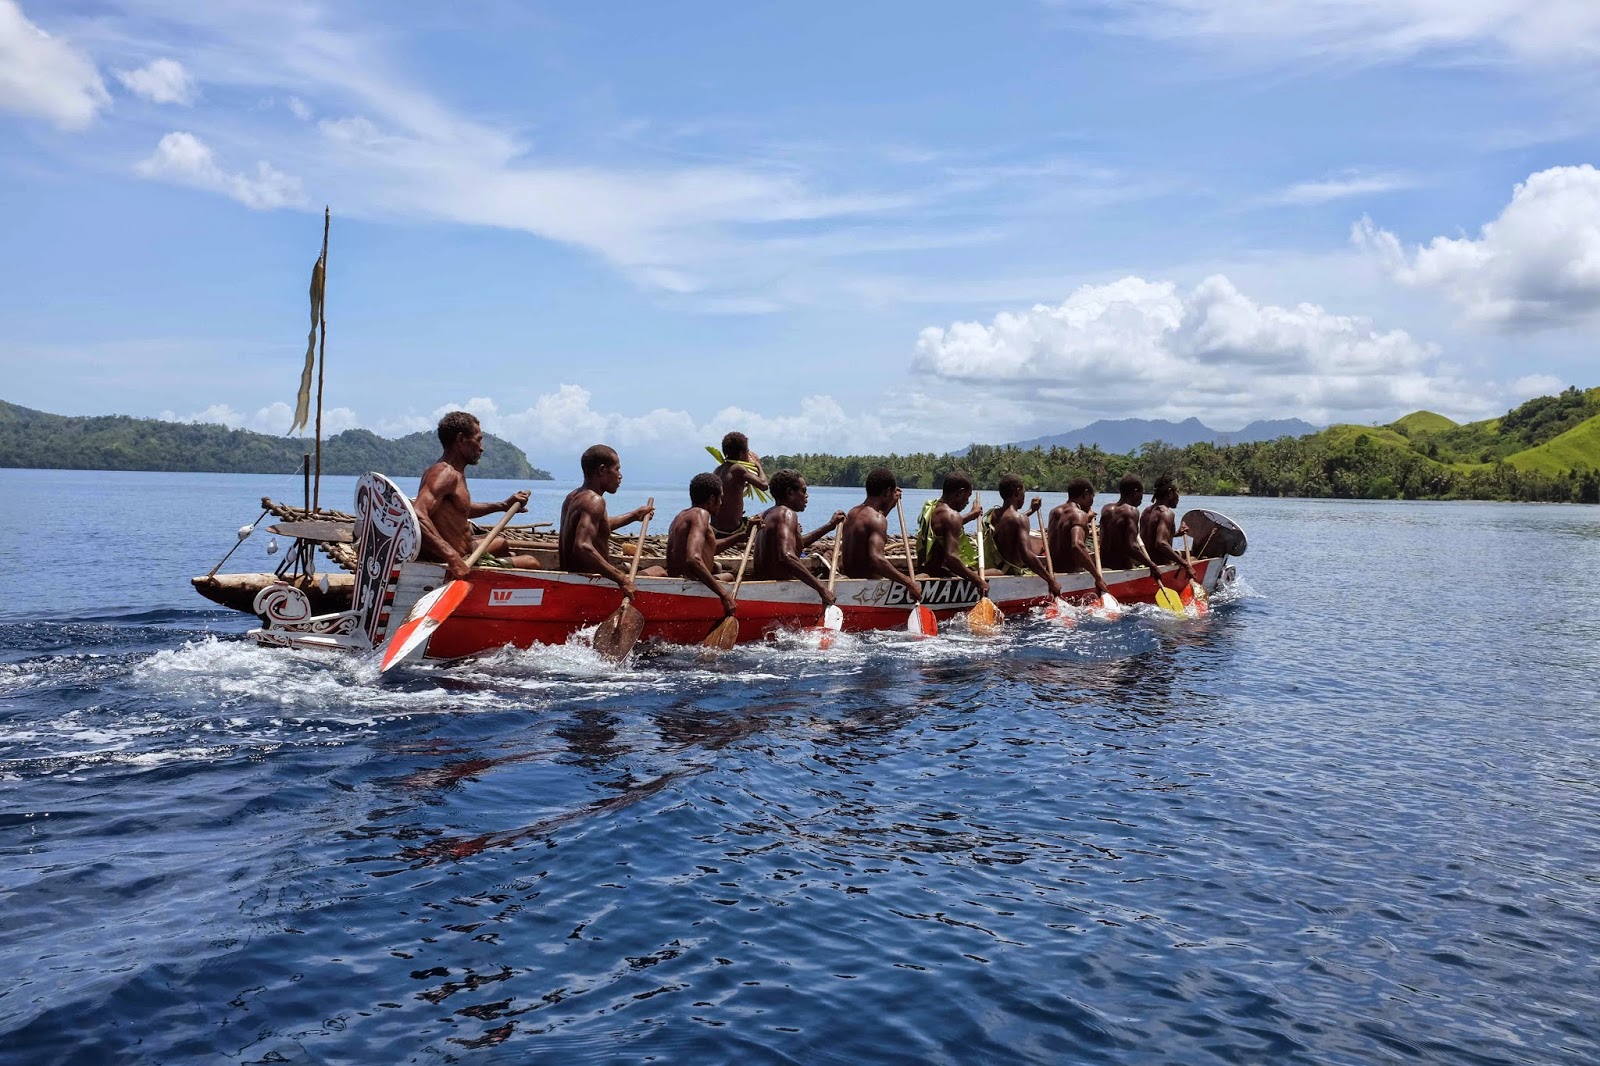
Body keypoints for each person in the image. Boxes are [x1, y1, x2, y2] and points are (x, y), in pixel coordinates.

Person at [414, 410, 536, 580]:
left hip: (466, 549)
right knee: (531, 563)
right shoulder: (445, 473)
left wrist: (503, 506)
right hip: (456, 561)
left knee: (502, 543)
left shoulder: (455, 473)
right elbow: (418, 514)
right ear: (461, 440)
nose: (481, 448)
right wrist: (452, 557)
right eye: (478, 440)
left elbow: (462, 509)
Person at [559, 444, 658, 596]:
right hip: (591, 583)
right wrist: (622, 580)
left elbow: (598, 527)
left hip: (572, 577)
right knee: (659, 571)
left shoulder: (574, 497)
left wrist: (634, 515)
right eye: (617, 469)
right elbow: (582, 546)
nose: (620, 475)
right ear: (602, 470)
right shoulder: (594, 501)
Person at [751, 469, 844, 605]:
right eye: (803, 491)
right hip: (778, 589)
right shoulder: (786, 514)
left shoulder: (765, 514)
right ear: (790, 493)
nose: (807, 496)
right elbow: (787, 556)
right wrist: (821, 589)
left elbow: (793, 546)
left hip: (763, 583)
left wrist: (829, 526)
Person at [666, 473, 751, 617]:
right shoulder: (701, 514)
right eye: (721, 498)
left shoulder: (681, 515)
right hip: (690, 584)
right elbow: (693, 559)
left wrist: (742, 535)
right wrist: (724, 596)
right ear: (712, 499)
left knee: (719, 569)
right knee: (729, 576)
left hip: (677, 580)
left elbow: (711, 549)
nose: (722, 503)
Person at [839, 467, 922, 602]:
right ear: (888, 491)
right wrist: (909, 583)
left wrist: (890, 506)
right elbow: (876, 560)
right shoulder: (877, 519)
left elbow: (873, 524)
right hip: (868, 587)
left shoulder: (853, 512)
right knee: (922, 576)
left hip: (851, 579)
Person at [988, 474, 1061, 599]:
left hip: (998, 567)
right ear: (1017, 491)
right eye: (1023, 492)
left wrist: (1031, 510)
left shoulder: (993, 514)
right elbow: (1027, 556)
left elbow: (1011, 522)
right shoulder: (1019, 519)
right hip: (1012, 572)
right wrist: (1051, 580)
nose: (1024, 497)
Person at [918, 471, 986, 593]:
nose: (967, 502)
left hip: (929, 568)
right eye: (967, 496)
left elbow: (948, 526)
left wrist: (971, 515)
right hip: (944, 572)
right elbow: (951, 558)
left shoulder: (932, 507)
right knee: (998, 572)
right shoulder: (952, 516)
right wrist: (978, 581)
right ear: (959, 493)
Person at [1046, 478, 1111, 600]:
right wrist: (1098, 578)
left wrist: (1086, 518)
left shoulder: (1054, 512)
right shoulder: (1079, 514)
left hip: (1054, 570)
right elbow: (1077, 546)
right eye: (1092, 497)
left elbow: (1066, 535)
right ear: (1086, 494)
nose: (1092, 502)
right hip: (1072, 573)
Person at [1098, 473, 1164, 584]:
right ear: (1135, 492)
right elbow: (1131, 546)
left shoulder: (1106, 509)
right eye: (1141, 494)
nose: (1142, 499)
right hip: (1122, 568)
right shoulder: (1131, 511)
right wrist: (1152, 565)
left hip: (1104, 564)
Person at [1140, 474, 1197, 588]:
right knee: (1195, 558)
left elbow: (1151, 538)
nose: (1178, 497)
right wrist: (1186, 565)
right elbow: (1161, 543)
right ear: (1170, 493)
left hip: (1146, 562)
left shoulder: (1146, 511)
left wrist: (1176, 534)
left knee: (1184, 555)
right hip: (1161, 565)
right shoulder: (1166, 513)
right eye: (1177, 492)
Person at [712, 431, 770, 537]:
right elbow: (764, 485)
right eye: (747, 451)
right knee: (769, 513)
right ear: (741, 453)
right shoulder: (738, 469)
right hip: (731, 530)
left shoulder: (717, 470)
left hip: (716, 528)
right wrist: (758, 465)